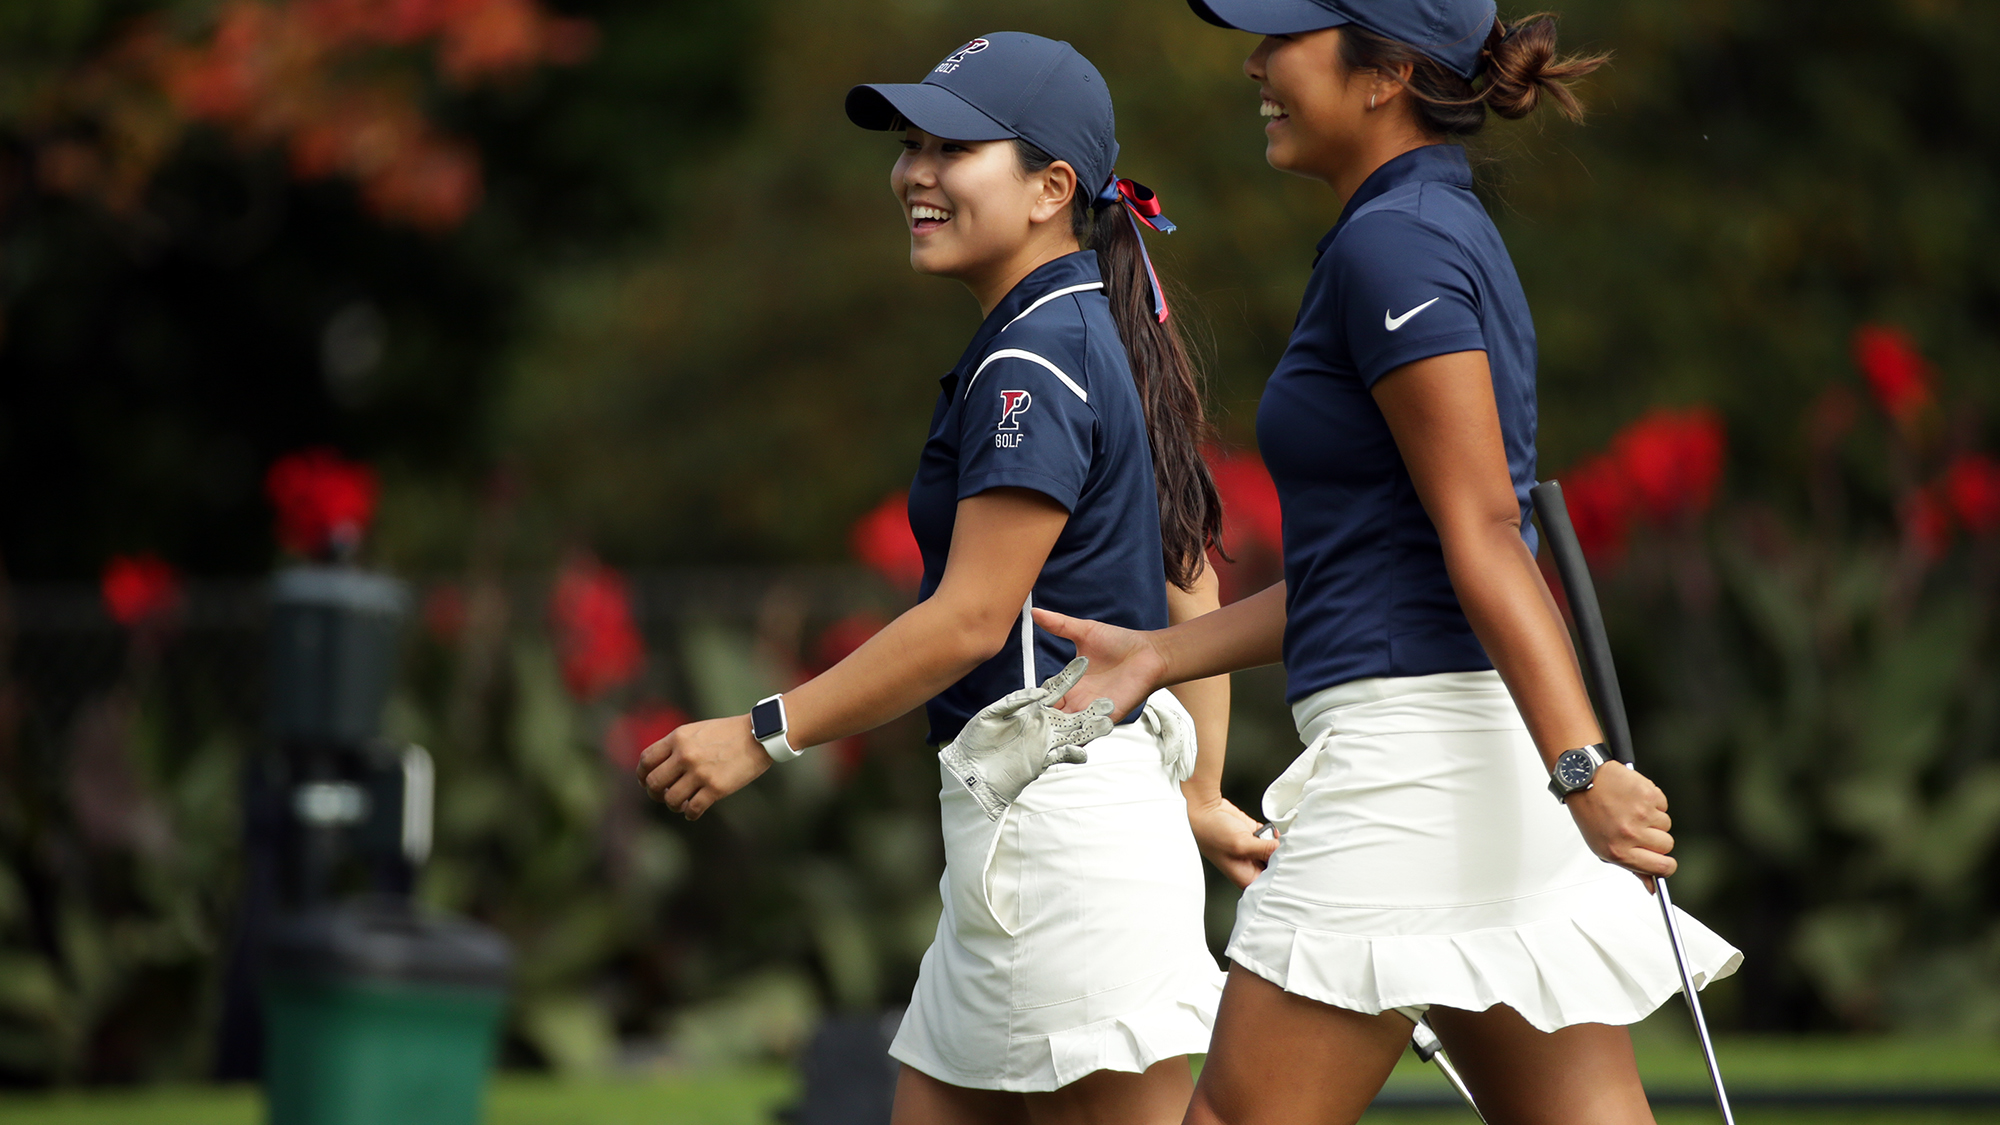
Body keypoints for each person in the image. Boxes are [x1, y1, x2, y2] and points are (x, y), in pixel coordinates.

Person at [1033, 3, 1742, 1123]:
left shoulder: (1394, 244)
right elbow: (1372, 565)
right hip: (1470, 748)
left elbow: (1484, 532)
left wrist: (1580, 770)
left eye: (1289, 39)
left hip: (1417, 766)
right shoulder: (1409, 227)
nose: (1257, 62)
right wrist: (1163, 654)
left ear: (1386, 75)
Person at [636, 31, 1273, 1125]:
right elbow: (1188, 581)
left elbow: (972, 620)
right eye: (909, 146)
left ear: (1049, 190)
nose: (913, 175)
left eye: (951, 148)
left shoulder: (1031, 360)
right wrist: (1195, 794)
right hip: (1048, 837)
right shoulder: (1090, 330)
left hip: (1055, 842)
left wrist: (759, 732)